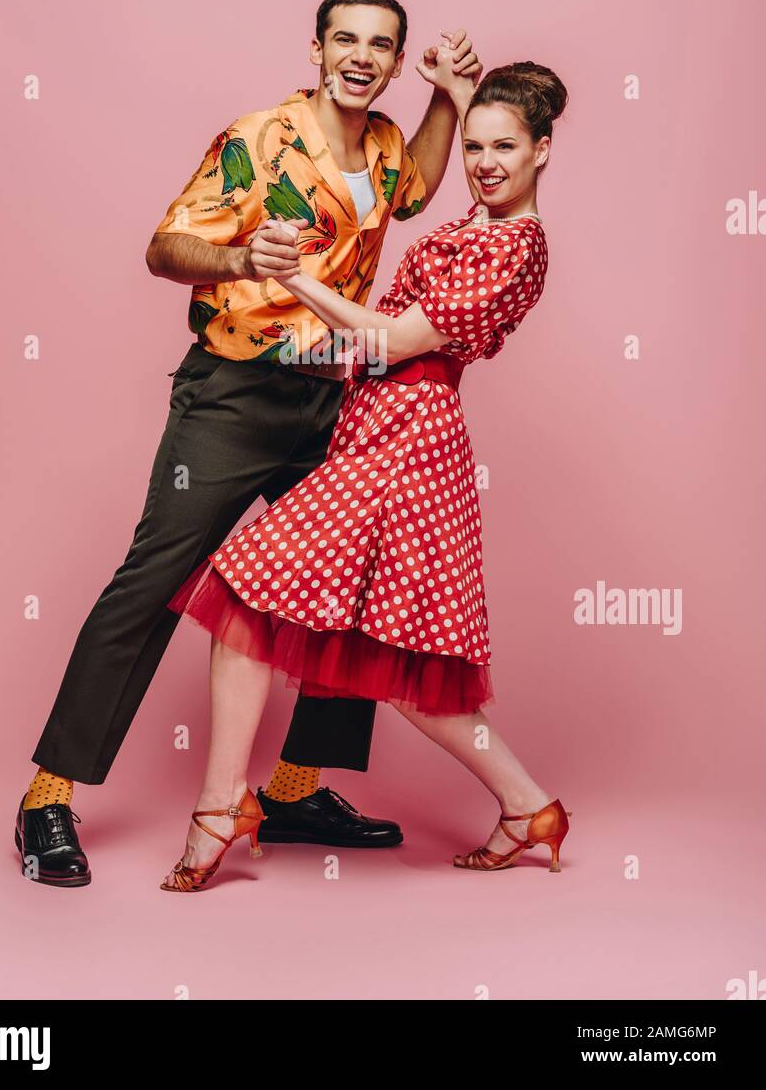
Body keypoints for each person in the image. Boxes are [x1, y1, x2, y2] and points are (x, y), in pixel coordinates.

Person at [15, 0, 483, 886]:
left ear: (392, 59)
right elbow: (163, 247)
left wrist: (441, 99)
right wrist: (239, 257)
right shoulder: (256, 139)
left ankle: (295, 790)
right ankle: (46, 798)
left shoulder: (384, 142)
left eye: (378, 45)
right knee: (152, 581)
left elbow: (415, 189)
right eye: (343, 40)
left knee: (347, 588)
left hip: (335, 397)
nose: (359, 56)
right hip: (234, 396)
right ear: (315, 50)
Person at [159, 60, 573, 894]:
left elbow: (389, 342)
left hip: (407, 450)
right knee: (402, 659)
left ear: (542, 152)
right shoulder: (482, 225)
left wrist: (291, 276)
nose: (485, 161)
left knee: (250, 592)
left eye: (505, 147)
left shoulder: (513, 248)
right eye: (477, 147)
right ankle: (527, 807)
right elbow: (370, 349)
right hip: (379, 431)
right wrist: (455, 99)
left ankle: (218, 805)